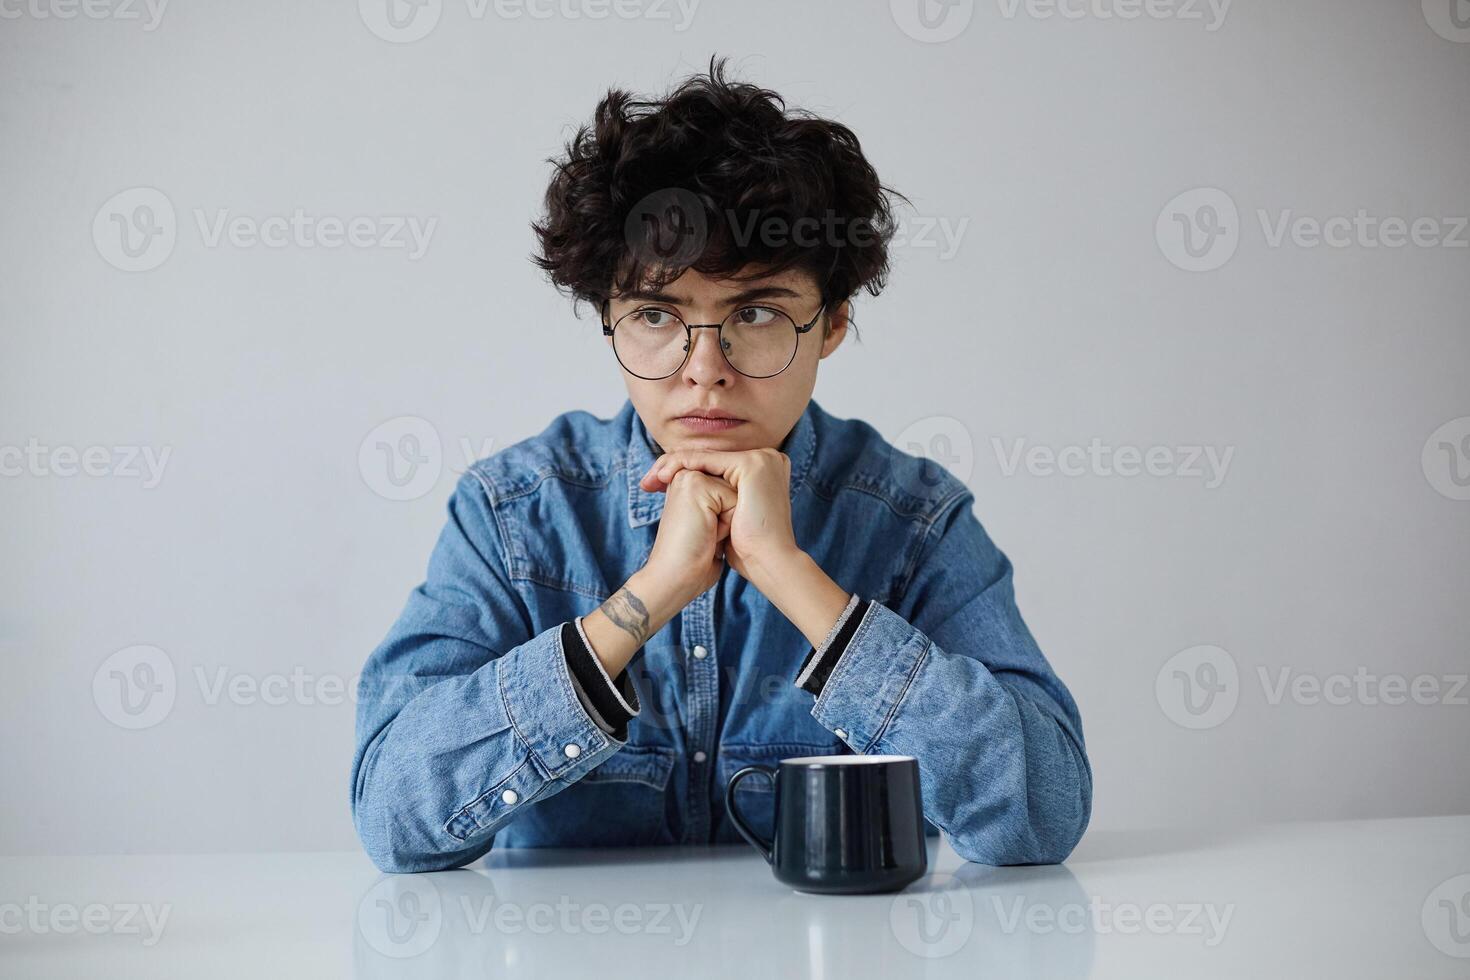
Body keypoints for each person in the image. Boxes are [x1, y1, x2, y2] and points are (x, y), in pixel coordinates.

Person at [350, 56, 1091, 874]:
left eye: (759, 312)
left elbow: (1043, 814)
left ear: (833, 324)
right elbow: (393, 816)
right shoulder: (515, 512)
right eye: (659, 315)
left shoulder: (913, 519)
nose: (706, 366)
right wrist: (650, 594)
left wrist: (791, 575)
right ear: (609, 319)